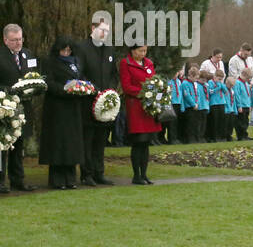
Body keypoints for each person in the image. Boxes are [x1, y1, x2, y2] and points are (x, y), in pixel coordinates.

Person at [0, 23, 41, 192]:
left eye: (20, 39)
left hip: (24, 107)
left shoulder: (28, 54)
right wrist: (9, 90)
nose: (18, 43)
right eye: (14, 40)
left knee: (19, 144)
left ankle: (18, 180)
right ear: (5, 40)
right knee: (0, 145)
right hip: (4, 108)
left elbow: (33, 76)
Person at [40, 36, 87, 189]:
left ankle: (71, 177)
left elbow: (81, 78)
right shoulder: (50, 62)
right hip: (57, 109)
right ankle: (57, 179)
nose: (66, 53)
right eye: (63, 50)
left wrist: (83, 87)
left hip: (73, 108)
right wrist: (66, 90)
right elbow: (49, 83)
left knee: (72, 144)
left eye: (68, 50)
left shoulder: (76, 63)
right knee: (58, 144)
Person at [76, 17, 118, 186]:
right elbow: (79, 72)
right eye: (102, 29)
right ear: (93, 27)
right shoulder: (82, 48)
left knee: (101, 139)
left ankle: (99, 172)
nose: (104, 33)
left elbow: (114, 74)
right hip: (88, 102)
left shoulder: (109, 49)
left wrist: (110, 91)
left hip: (105, 103)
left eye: (107, 31)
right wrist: (92, 89)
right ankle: (87, 174)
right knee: (88, 139)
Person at [120, 43, 163, 184]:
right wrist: (143, 93)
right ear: (133, 50)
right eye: (140, 50)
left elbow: (154, 81)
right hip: (136, 107)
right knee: (138, 141)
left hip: (149, 108)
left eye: (145, 51)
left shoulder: (149, 63)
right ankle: (136, 175)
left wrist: (156, 93)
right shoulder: (126, 64)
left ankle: (144, 174)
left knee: (146, 143)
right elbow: (126, 86)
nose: (143, 53)